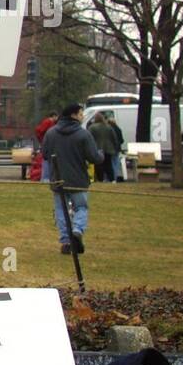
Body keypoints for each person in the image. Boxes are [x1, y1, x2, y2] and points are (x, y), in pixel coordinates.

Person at [41, 103, 104, 254]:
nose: (83, 117)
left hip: (58, 179)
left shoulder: (51, 133)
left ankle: (66, 241)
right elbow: (94, 157)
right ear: (74, 115)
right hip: (78, 179)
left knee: (61, 210)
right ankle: (77, 230)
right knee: (81, 207)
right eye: (81, 114)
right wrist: (100, 154)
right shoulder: (83, 134)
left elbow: (44, 154)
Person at [87, 112, 117, 182]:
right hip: (109, 149)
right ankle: (112, 179)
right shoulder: (109, 127)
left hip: (97, 149)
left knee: (99, 165)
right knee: (108, 165)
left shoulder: (92, 127)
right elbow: (114, 138)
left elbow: (89, 138)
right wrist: (115, 147)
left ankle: (101, 179)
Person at [106, 112, 126, 182]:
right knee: (116, 163)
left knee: (110, 163)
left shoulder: (108, 129)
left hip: (111, 149)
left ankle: (112, 178)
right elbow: (122, 140)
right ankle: (116, 176)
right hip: (117, 149)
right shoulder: (118, 129)